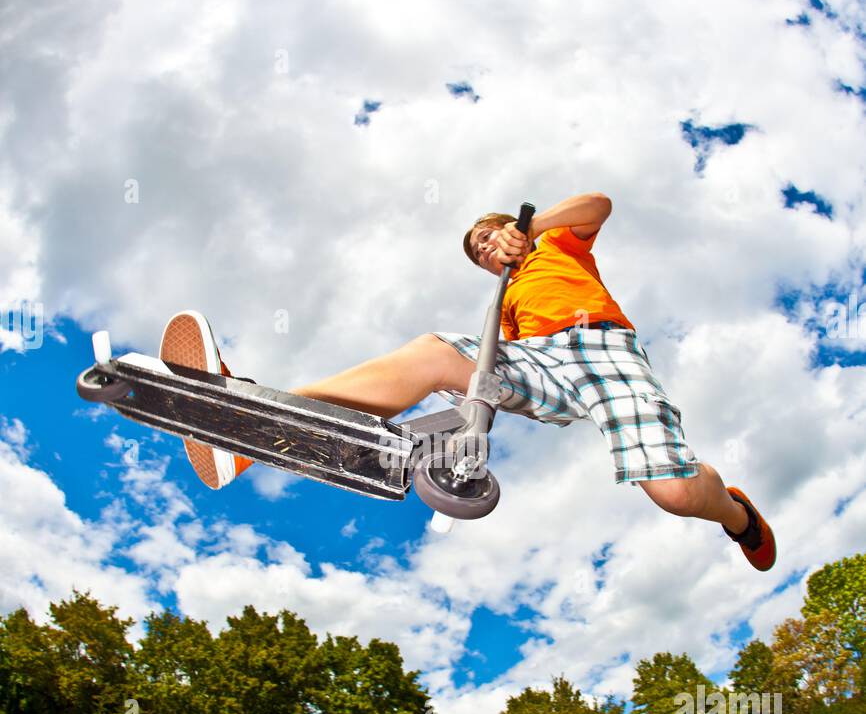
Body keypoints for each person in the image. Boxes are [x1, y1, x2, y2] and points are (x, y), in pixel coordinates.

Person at [158, 192, 775, 569]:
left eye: (489, 237)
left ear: (512, 230)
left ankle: (737, 516)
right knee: (434, 352)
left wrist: (532, 229)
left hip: (604, 350)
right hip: (539, 360)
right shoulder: (504, 308)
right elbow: (488, 375)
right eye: (480, 250)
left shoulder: (558, 244)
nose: (486, 250)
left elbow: (600, 204)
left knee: (673, 495)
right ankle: (252, 415)